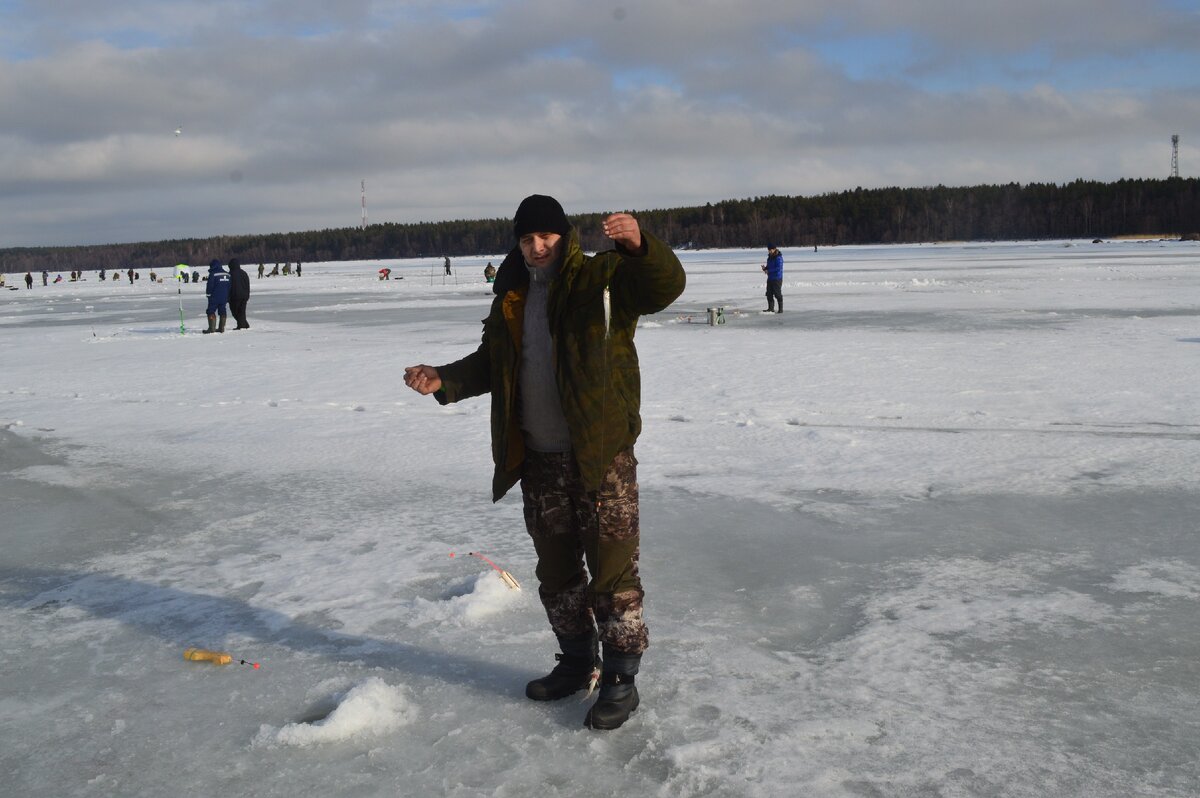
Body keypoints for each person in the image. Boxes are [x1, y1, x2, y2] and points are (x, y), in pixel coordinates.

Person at [404, 194, 685, 731]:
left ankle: (621, 682)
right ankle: (577, 664)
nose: (537, 247)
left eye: (547, 237)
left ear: (565, 237)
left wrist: (639, 245)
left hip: (600, 457)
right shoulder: (510, 293)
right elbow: (496, 362)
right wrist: (444, 378)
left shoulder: (600, 279)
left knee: (612, 576)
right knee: (557, 577)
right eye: (528, 238)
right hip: (539, 459)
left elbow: (662, 288)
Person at [203, 259, 230, 334]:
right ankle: (221, 328)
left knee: (211, 311)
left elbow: (210, 285)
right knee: (222, 310)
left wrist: (208, 295)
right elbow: (229, 286)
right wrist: (227, 296)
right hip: (224, 297)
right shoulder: (227, 274)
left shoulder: (213, 274)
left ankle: (211, 329)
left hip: (214, 297)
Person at [228, 258, 251, 329]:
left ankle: (242, 325)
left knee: (235, 312)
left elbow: (228, 287)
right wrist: (247, 295)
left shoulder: (229, 274)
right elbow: (247, 285)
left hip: (234, 297)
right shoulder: (244, 273)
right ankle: (243, 324)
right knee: (241, 312)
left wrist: (228, 297)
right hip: (244, 296)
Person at [762, 244, 783, 313]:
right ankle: (770, 308)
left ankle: (780, 309)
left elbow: (778, 268)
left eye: (771, 250)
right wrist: (765, 268)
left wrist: (769, 271)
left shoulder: (778, 257)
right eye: (769, 250)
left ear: (774, 249)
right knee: (769, 294)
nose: (769, 251)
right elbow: (769, 266)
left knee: (777, 294)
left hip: (777, 278)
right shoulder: (769, 257)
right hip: (770, 278)